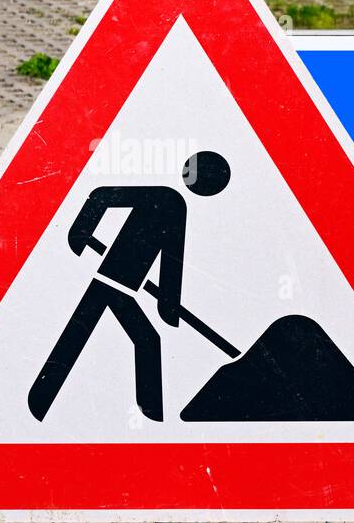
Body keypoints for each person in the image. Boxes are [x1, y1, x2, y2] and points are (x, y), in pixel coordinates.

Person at [28, 151, 230, 422]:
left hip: (120, 287)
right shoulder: (168, 200)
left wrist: (167, 305)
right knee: (138, 339)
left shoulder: (172, 202)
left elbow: (171, 262)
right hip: (111, 283)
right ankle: (152, 416)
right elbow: (102, 196)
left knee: (86, 335)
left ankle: (40, 399)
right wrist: (80, 233)